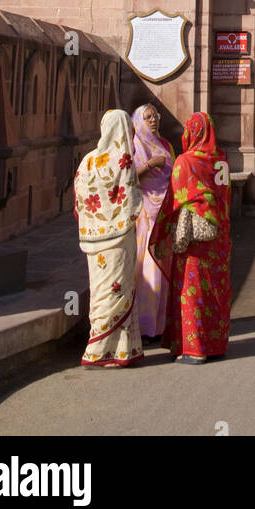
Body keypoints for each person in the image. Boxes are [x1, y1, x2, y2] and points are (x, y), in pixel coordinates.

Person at [150, 112, 231, 364]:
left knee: (191, 291)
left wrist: (161, 231)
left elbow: (173, 198)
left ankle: (194, 348)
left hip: (193, 240)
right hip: (218, 235)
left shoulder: (185, 162)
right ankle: (215, 344)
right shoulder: (221, 160)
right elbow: (225, 196)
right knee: (215, 291)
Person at [73, 108, 143, 368]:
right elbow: (133, 201)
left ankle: (98, 346)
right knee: (119, 291)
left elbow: (78, 199)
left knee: (101, 291)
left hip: (93, 242)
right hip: (119, 239)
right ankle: (114, 351)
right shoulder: (123, 160)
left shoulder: (88, 160)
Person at [131, 103, 174, 342]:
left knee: (164, 265)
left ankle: (161, 322)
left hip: (165, 210)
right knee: (149, 267)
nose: (153, 121)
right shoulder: (136, 145)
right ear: (139, 121)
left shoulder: (165, 144)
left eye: (155, 116)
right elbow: (129, 177)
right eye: (147, 117)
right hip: (147, 214)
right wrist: (150, 164)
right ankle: (146, 325)